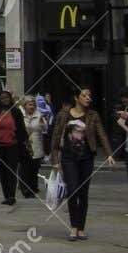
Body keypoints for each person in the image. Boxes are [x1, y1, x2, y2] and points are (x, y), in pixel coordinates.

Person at [49, 85, 114, 240]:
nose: (88, 98)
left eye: (89, 96)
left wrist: (109, 154)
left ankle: (81, 228)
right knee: (72, 191)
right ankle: (73, 227)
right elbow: (56, 136)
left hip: (86, 158)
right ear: (76, 98)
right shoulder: (65, 114)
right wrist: (55, 158)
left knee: (83, 193)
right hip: (68, 158)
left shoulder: (92, 115)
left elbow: (102, 134)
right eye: (84, 96)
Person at [0, 88, 35, 207]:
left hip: (13, 146)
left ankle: (11, 196)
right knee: (3, 172)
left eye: (7, 98)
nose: (5, 100)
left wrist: (25, 142)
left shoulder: (16, 112)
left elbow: (21, 129)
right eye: (2, 98)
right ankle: (6, 195)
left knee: (11, 171)